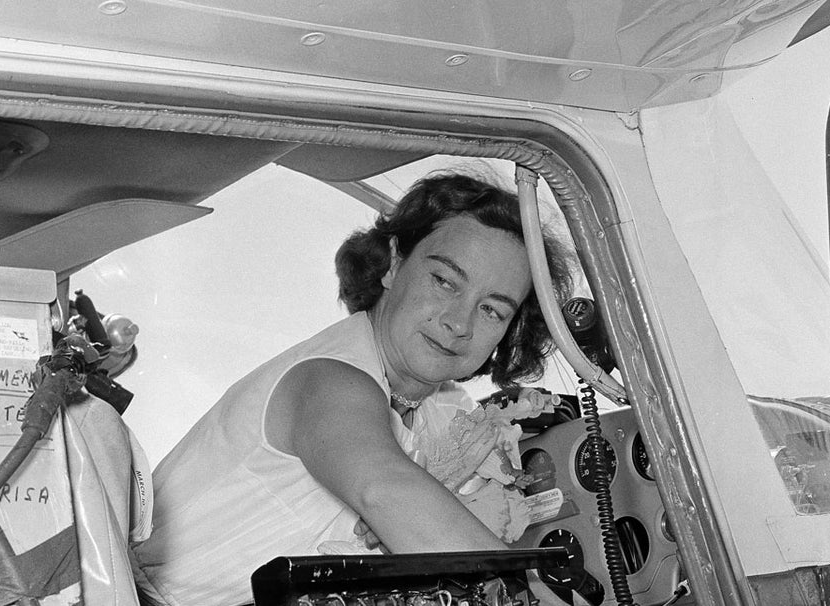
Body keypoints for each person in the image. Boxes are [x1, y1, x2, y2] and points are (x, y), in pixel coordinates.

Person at [131, 171, 574, 606]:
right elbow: (383, 490)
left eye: (493, 310)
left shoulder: (438, 411)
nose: (459, 323)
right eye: (444, 281)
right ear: (394, 265)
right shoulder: (331, 377)